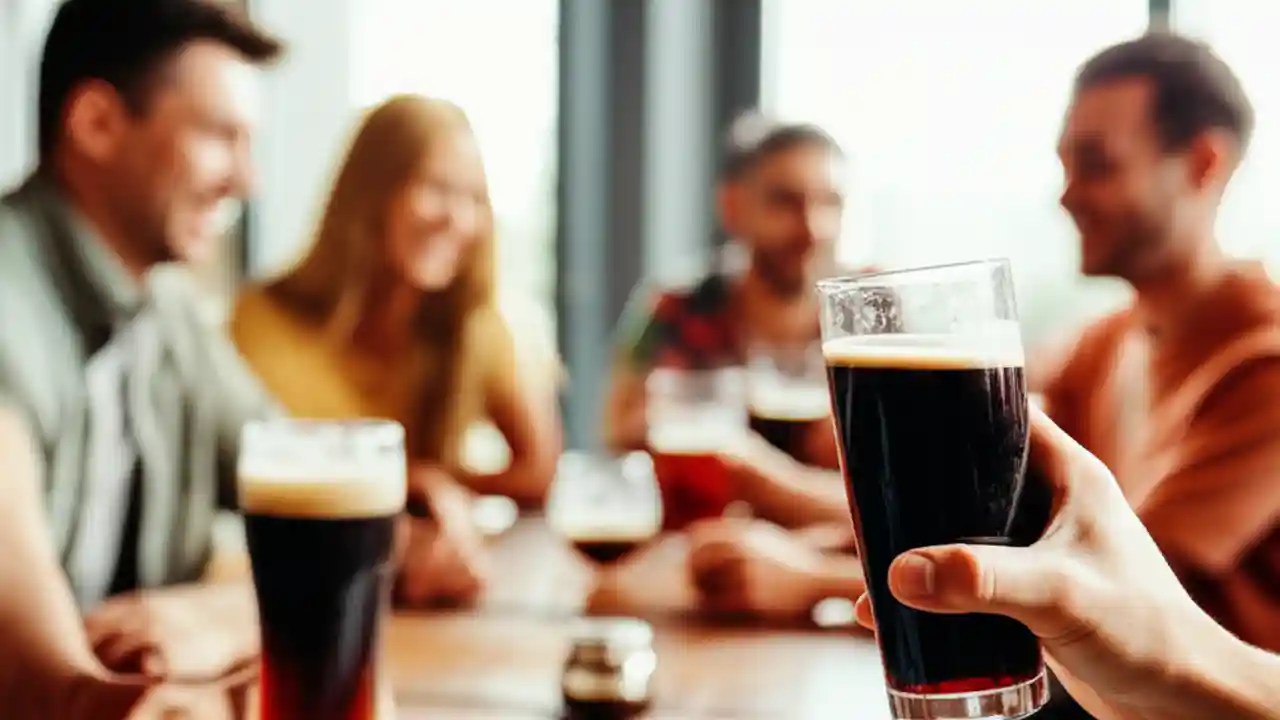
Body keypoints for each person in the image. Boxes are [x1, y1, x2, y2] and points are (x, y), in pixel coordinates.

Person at [0, 0, 285, 681]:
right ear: (96, 123)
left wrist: (416, 504)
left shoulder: (168, 308)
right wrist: (251, 614)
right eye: (219, 135)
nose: (246, 180)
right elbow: (48, 687)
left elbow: (302, 479)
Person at [230, 96, 563, 599]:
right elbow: (266, 468)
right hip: (298, 592)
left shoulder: (475, 326)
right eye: (436, 188)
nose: (458, 218)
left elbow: (540, 471)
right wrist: (416, 481)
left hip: (419, 597)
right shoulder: (266, 320)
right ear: (373, 191)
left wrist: (442, 489)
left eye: (474, 197)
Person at [1043, 33, 1280, 652]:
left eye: (1097, 165)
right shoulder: (1101, 345)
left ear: (1203, 163)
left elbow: (1119, 583)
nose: (1066, 195)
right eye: (1066, 165)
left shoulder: (1266, 365)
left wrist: (815, 581)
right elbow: (1011, 515)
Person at [855, 408, 1280, 720]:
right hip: (1094, 686)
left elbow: (1154, 557)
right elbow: (1018, 506)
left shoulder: (1264, 368)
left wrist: (829, 579)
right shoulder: (1105, 342)